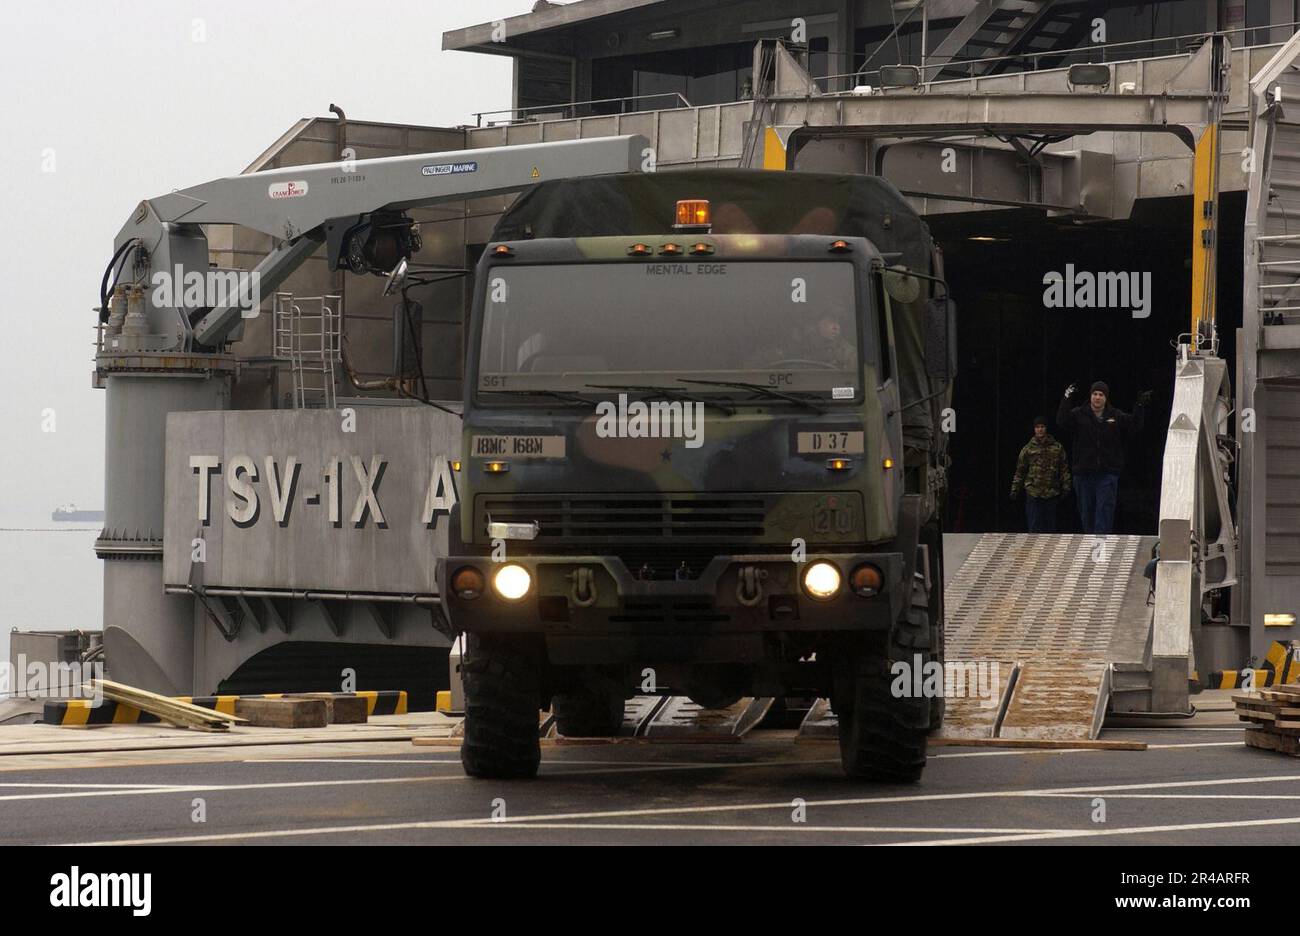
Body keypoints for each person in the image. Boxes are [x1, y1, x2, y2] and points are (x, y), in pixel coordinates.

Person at [1056, 380, 1151, 535]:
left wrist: (1139, 406)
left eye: (1101, 394)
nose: (1097, 397)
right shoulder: (1079, 414)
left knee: (1104, 509)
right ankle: (1089, 541)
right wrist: (1066, 399)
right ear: (1090, 396)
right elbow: (1062, 421)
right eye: (1095, 394)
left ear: (1106, 398)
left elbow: (1134, 425)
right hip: (1083, 473)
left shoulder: (1115, 415)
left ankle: (1100, 545)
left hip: (1107, 473)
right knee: (1087, 511)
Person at [1010, 417, 1070, 533]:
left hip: (1051, 492)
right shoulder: (1028, 449)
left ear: (1046, 428)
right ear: (1034, 429)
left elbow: (1063, 468)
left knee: (1050, 529)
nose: (1040, 430)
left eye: (1042, 427)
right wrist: (1015, 489)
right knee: (1034, 529)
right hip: (1034, 493)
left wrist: (1066, 486)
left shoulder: (1056, 448)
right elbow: (1020, 471)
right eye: (1037, 427)